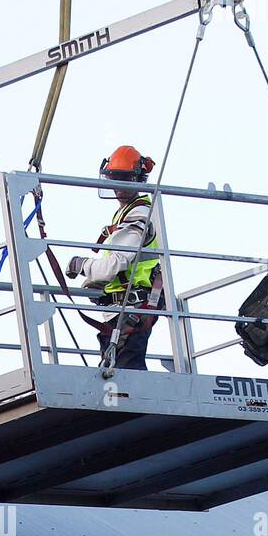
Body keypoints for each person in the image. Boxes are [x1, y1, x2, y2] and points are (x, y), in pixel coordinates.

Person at [66, 144, 164, 371]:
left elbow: (113, 265)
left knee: (126, 379)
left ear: (138, 180)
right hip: (123, 308)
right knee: (120, 375)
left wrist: (81, 265)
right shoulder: (126, 212)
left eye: (125, 179)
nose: (119, 187)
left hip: (134, 307)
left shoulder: (139, 213)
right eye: (115, 178)